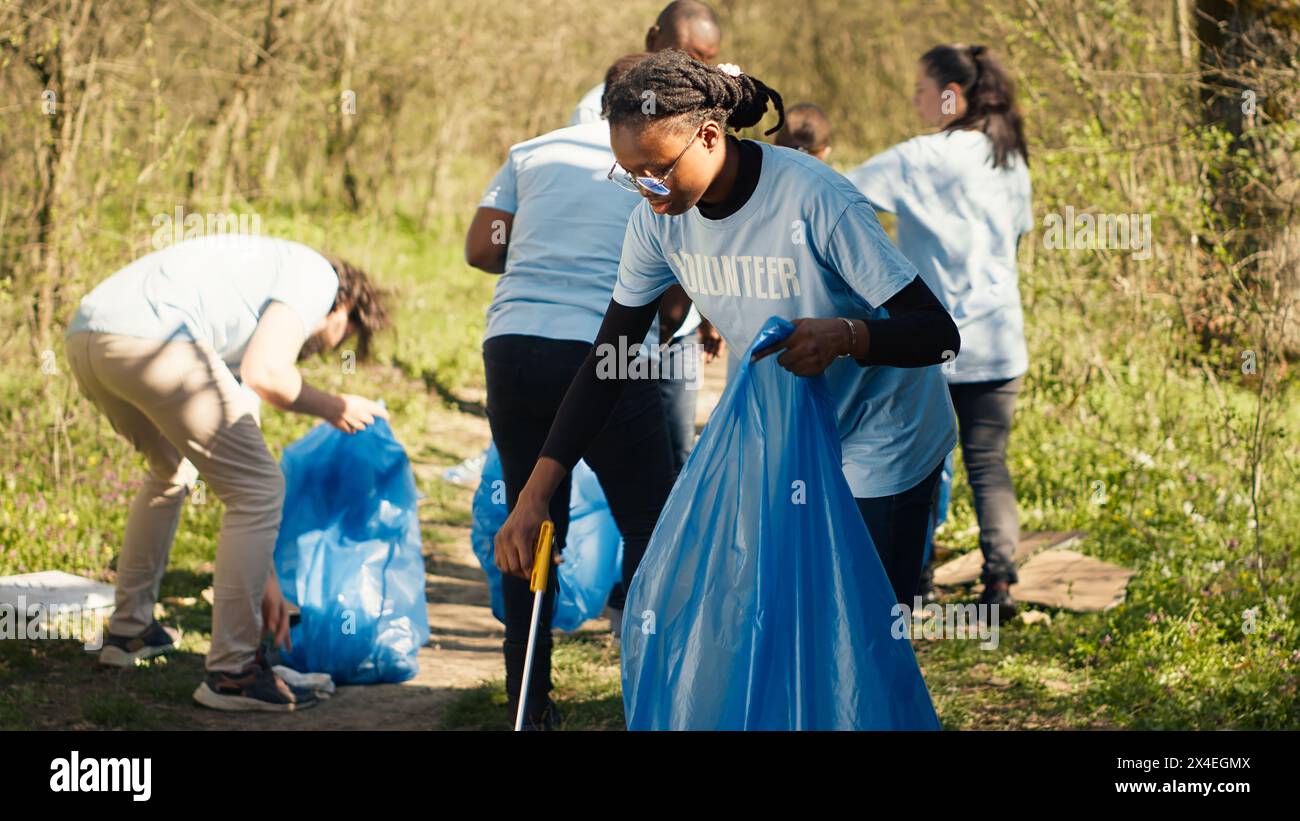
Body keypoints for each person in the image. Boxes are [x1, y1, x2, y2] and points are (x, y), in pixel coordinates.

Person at [495, 50, 960, 621]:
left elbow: (938, 334)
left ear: (710, 136)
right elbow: (609, 361)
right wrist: (536, 492)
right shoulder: (657, 222)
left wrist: (846, 336)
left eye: (659, 168)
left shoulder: (814, 198)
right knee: (790, 624)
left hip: (885, 434)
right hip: (791, 435)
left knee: (866, 630)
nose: (647, 189)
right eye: (630, 174)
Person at [65, 234, 389, 711]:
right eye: (342, 337)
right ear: (345, 309)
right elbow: (268, 375)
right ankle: (233, 673)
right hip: (154, 337)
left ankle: (130, 632)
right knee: (260, 488)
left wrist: (268, 581)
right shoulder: (318, 276)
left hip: (88, 337)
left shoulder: (246, 301)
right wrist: (335, 405)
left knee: (171, 469)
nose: (322, 350)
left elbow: (239, 444)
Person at [466, 54, 677, 730]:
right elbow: (673, 281)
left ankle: (529, 701)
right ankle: (651, 686)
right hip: (607, 349)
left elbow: (480, 245)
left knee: (532, 517)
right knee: (648, 519)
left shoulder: (531, 150)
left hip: (515, 346)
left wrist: (539, 253)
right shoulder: (655, 159)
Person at [844, 44, 1033, 618]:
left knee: (918, 461)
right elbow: (1020, 234)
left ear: (952, 94)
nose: (914, 99)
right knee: (987, 464)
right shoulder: (1009, 157)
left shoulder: (920, 157)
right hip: (1000, 339)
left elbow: (837, 196)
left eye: (922, 89)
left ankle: (913, 582)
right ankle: (999, 582)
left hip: (930, 340)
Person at [569, 0, 721, 126]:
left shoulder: (709, 110)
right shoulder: (594, 113)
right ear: (652, 39)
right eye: (681, 62)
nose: (696, 75)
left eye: (705, 63)